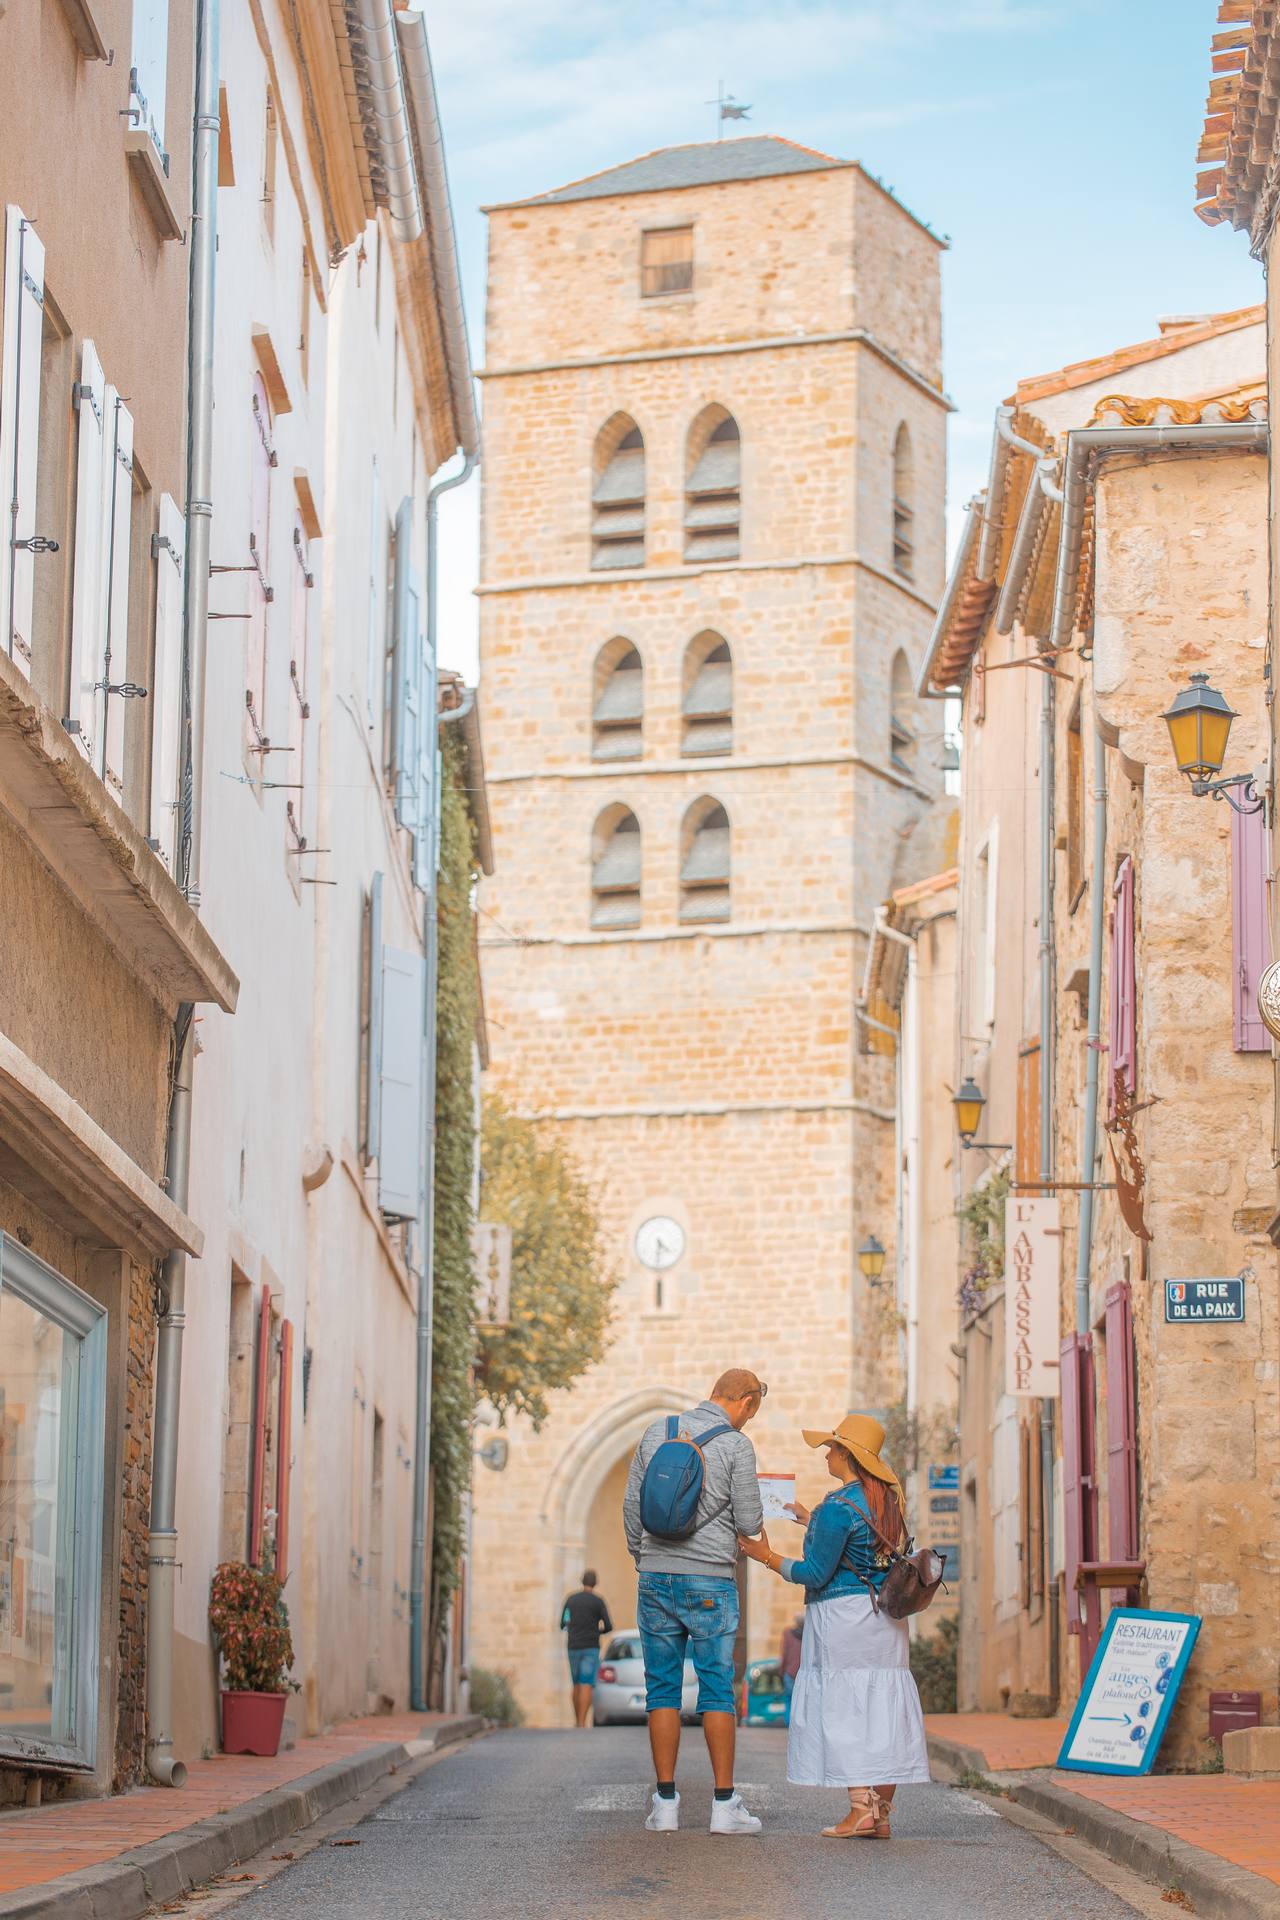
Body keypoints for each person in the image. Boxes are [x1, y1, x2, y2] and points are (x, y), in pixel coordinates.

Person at [738, 1412, 929, 1838]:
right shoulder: (887, 1502)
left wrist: (765, 1556)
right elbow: (862, 1547)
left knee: (845, 1709)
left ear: (846, 1454)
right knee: (882, 1708)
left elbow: (814, 1572)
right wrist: (811, 1521)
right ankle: (880, 1812)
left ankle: (860, 1806)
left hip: (843, 1621)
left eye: (830, 1448)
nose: (826, 1456)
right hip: (885, 1620)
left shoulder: (837, 1507)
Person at [623, 1369, 767, 1836]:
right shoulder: (736, 1446)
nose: (748, 1421)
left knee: (661, 1688)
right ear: (744, 1401)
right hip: (710, 1583)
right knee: (717, 1688)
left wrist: (644, 1558)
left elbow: (631, 1506)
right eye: (752, 1411)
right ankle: (723, 1807)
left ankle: (665, 1805)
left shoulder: (657, 1431)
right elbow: (748, 1519)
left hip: (655, 1577)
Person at [560, 1569, 613, 1727]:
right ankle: (583, 1723)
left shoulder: (571, 1600)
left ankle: (577, 1721)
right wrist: (597, 1631)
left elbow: (562, 1623)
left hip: (573, 1645)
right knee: (586, 1683)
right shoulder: (598, 1601)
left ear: (582, 1581)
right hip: (591, 1646)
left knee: (575, 1683)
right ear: (595, 1583)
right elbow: (609, 1626)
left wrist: (573, 1628)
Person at [779, 1613, 804, 1724]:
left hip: (789, 1673)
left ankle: (790, 1725)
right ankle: (799, 1724)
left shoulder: (787, 1633)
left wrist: (781, 1670)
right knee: (801, 1702)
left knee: (789, 1700)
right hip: (803, 1673)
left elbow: (784, 1653)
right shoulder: (808, 1634)